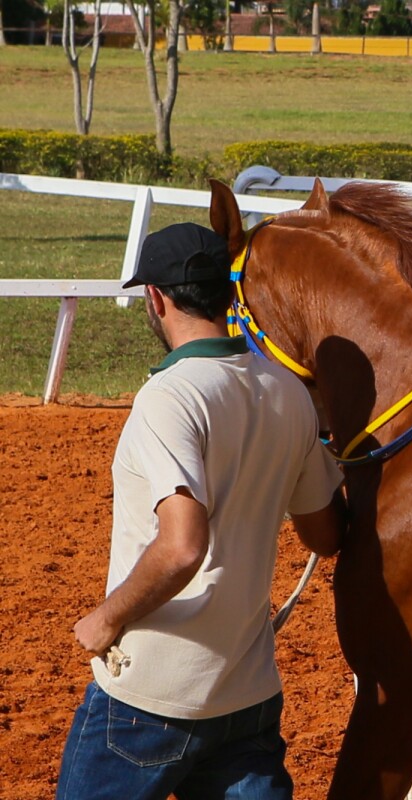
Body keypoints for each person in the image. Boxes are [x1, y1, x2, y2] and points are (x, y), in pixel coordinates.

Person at [56, 222, 346, 800]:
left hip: (151, 696)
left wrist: (108, 618)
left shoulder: (168, 397)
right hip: (247, 697)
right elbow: (327, 534)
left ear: (156, 298)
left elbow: (183, 546)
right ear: (229, 295)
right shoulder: (286, 390)